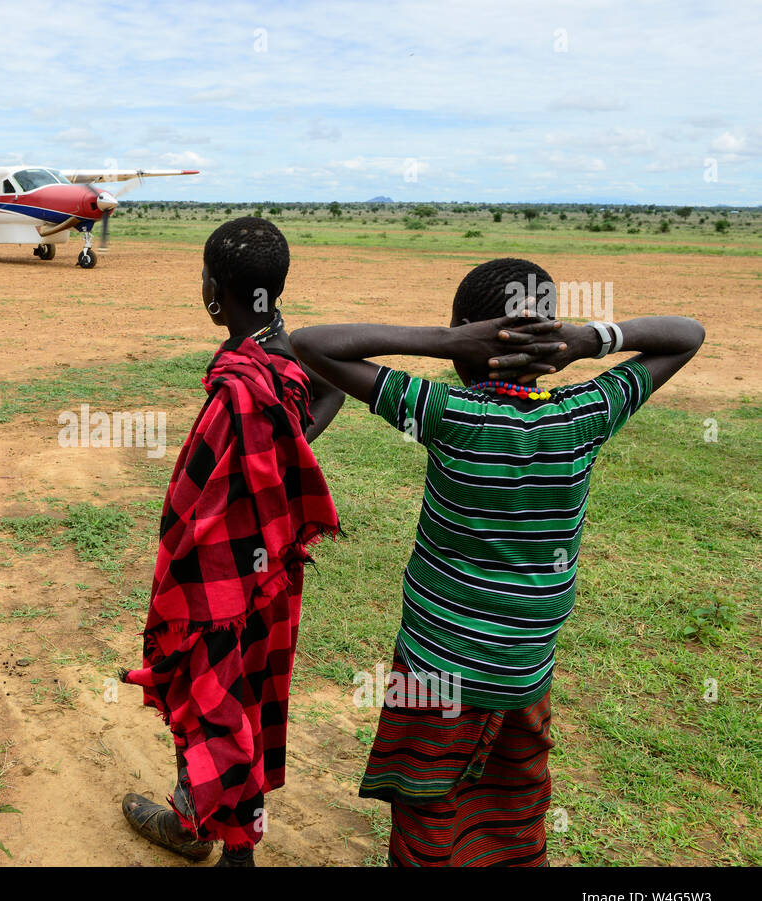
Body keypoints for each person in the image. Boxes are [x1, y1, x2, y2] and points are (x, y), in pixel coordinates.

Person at [290, 257, 704, 866]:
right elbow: (687, 334)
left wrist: (443, 341)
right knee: (512, 807)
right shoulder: (585, 413)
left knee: (430, 808)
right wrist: (591, 341)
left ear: (467, 337)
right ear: (551, 340)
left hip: (440, 667)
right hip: (527, 668)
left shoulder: (448, 415)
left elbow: (311, 344)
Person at [120, 217, 344, 866]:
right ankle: (196, 821)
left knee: (214, 697)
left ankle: (224, 846)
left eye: (203, 279)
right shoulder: (285, 361)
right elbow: (334, 389)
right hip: (268, 573)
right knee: (240, 693)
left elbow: (204, 495)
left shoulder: (241, 387)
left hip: (218, 582)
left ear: (213, 292)